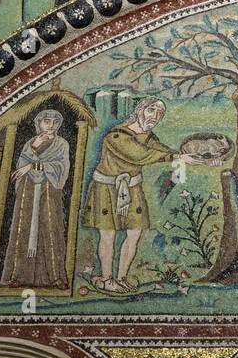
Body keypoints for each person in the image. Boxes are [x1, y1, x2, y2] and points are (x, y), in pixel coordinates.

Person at [84, 98, 202, 294]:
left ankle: (121, 278)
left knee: (134, 233)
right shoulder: (116, 135)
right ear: (140, 110)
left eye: (159, 114)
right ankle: (106, 279)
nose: (154, 116)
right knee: (108, 235)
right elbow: (139, 154)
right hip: (106, 189)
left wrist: (200, 159)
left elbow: (162, 151)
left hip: (132, 188)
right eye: (151, 110)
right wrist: (177, 157)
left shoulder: (148, 136)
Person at [0, 109, 71, 288]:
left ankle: (55, 277)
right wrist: (32, 149)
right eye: (47, 121)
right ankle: (18, 275)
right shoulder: (30, 143)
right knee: (23, 229)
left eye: (55, 122)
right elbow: (20, 167)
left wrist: (33, 165)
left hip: (49, 190)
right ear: (39, 123)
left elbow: (61, 167)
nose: (51, 125)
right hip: (28, 191)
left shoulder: (61, 143)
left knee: (50, 228)